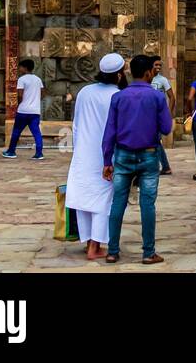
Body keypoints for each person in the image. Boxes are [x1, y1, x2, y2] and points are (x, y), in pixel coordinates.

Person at [102, 52, 173, 265]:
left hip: (122, 154)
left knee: (118, 203)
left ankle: (112, 251)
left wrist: (107, 161)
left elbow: (109, 132)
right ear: (149, 72)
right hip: (149, 155)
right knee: (147, 204)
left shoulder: (118, 97)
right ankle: (148, 252)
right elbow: (167, 128)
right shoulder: (157, 97)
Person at [65, 53, 124, 260]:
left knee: (84, 198)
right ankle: (95, 247)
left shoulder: (84, 92)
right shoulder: (116, 95)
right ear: (119, 74)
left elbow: (77, 123)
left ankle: (89, 240)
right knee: (102, 199)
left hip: (83, 151)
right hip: (105, 154)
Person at [1, 58, 44, 159]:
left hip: (23, 110)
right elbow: (42, 93)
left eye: (20, 67)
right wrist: (35, 100)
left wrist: (19, 104)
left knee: (16, 131)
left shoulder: (22, 79)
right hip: (35, 111)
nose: (19, 69)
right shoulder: (38, 79)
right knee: (36, 132)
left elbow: (20, 95)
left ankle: (11, 151)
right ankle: (39, 153)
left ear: (25, 68)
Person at [150, 57, 175, 176]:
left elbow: (172, 97)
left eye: (160, 65)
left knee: (155, 140)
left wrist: (168, 113)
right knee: (154, 140)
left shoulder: (163, 80)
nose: (158, 67)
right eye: (156, 65)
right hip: (147, 115)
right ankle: (164, 166)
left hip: (158, 115)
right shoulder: (147, 79)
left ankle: (165, 166)